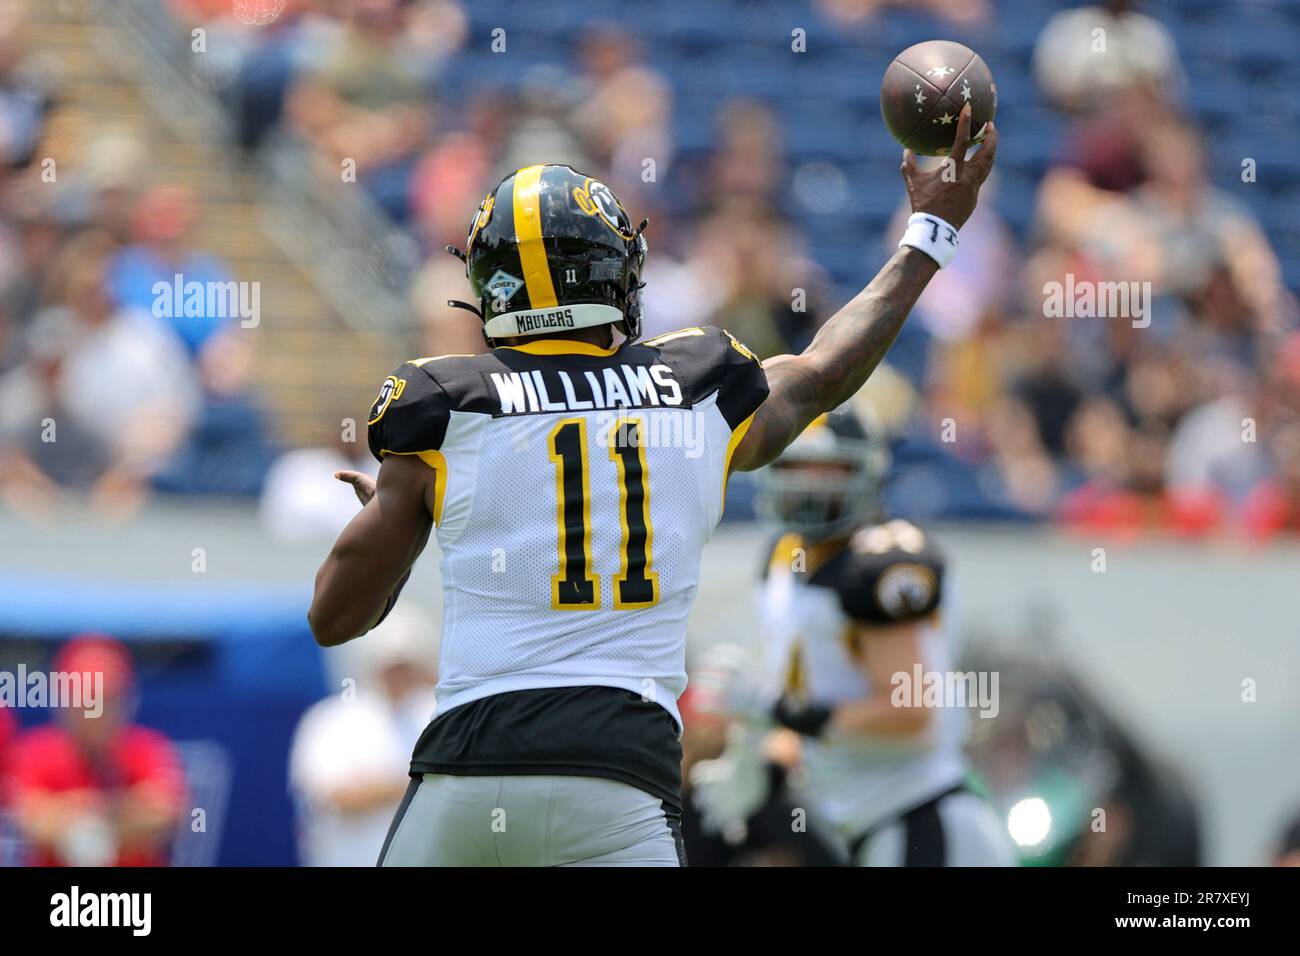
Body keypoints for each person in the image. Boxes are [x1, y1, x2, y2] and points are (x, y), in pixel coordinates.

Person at [308, 110, 998, 867]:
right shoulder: (694, 386)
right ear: (616, 268)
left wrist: (402, 526)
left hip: (471, 770)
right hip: (621, 780)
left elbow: (335, 619)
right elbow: (822, 372)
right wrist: (930, 234)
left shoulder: (443, 405)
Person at [692, 406, 1015, 866]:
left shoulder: (879, 565)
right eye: (795, 467)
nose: (808, 485)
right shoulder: (784, 561)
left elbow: (910, 714)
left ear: (867, 473)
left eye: (827, 469)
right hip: (872, 827)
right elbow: (827, 710)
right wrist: (765, 767)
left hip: (923, 821)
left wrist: (775, 707)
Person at [8, 635, 187, 867]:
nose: (97, 713)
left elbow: (165, 812)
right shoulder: (35, 750)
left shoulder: (148, 748)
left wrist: (90, 815)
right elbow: (30, 818)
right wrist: (122, 815)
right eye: (86, 699)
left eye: (108, 700)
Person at [290, 606, 438, 866]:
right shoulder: (330, 719)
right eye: (391, 665)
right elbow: (337, 798)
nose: (398, 674)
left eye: (405, 664)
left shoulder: (436, 714)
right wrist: (421, 782)